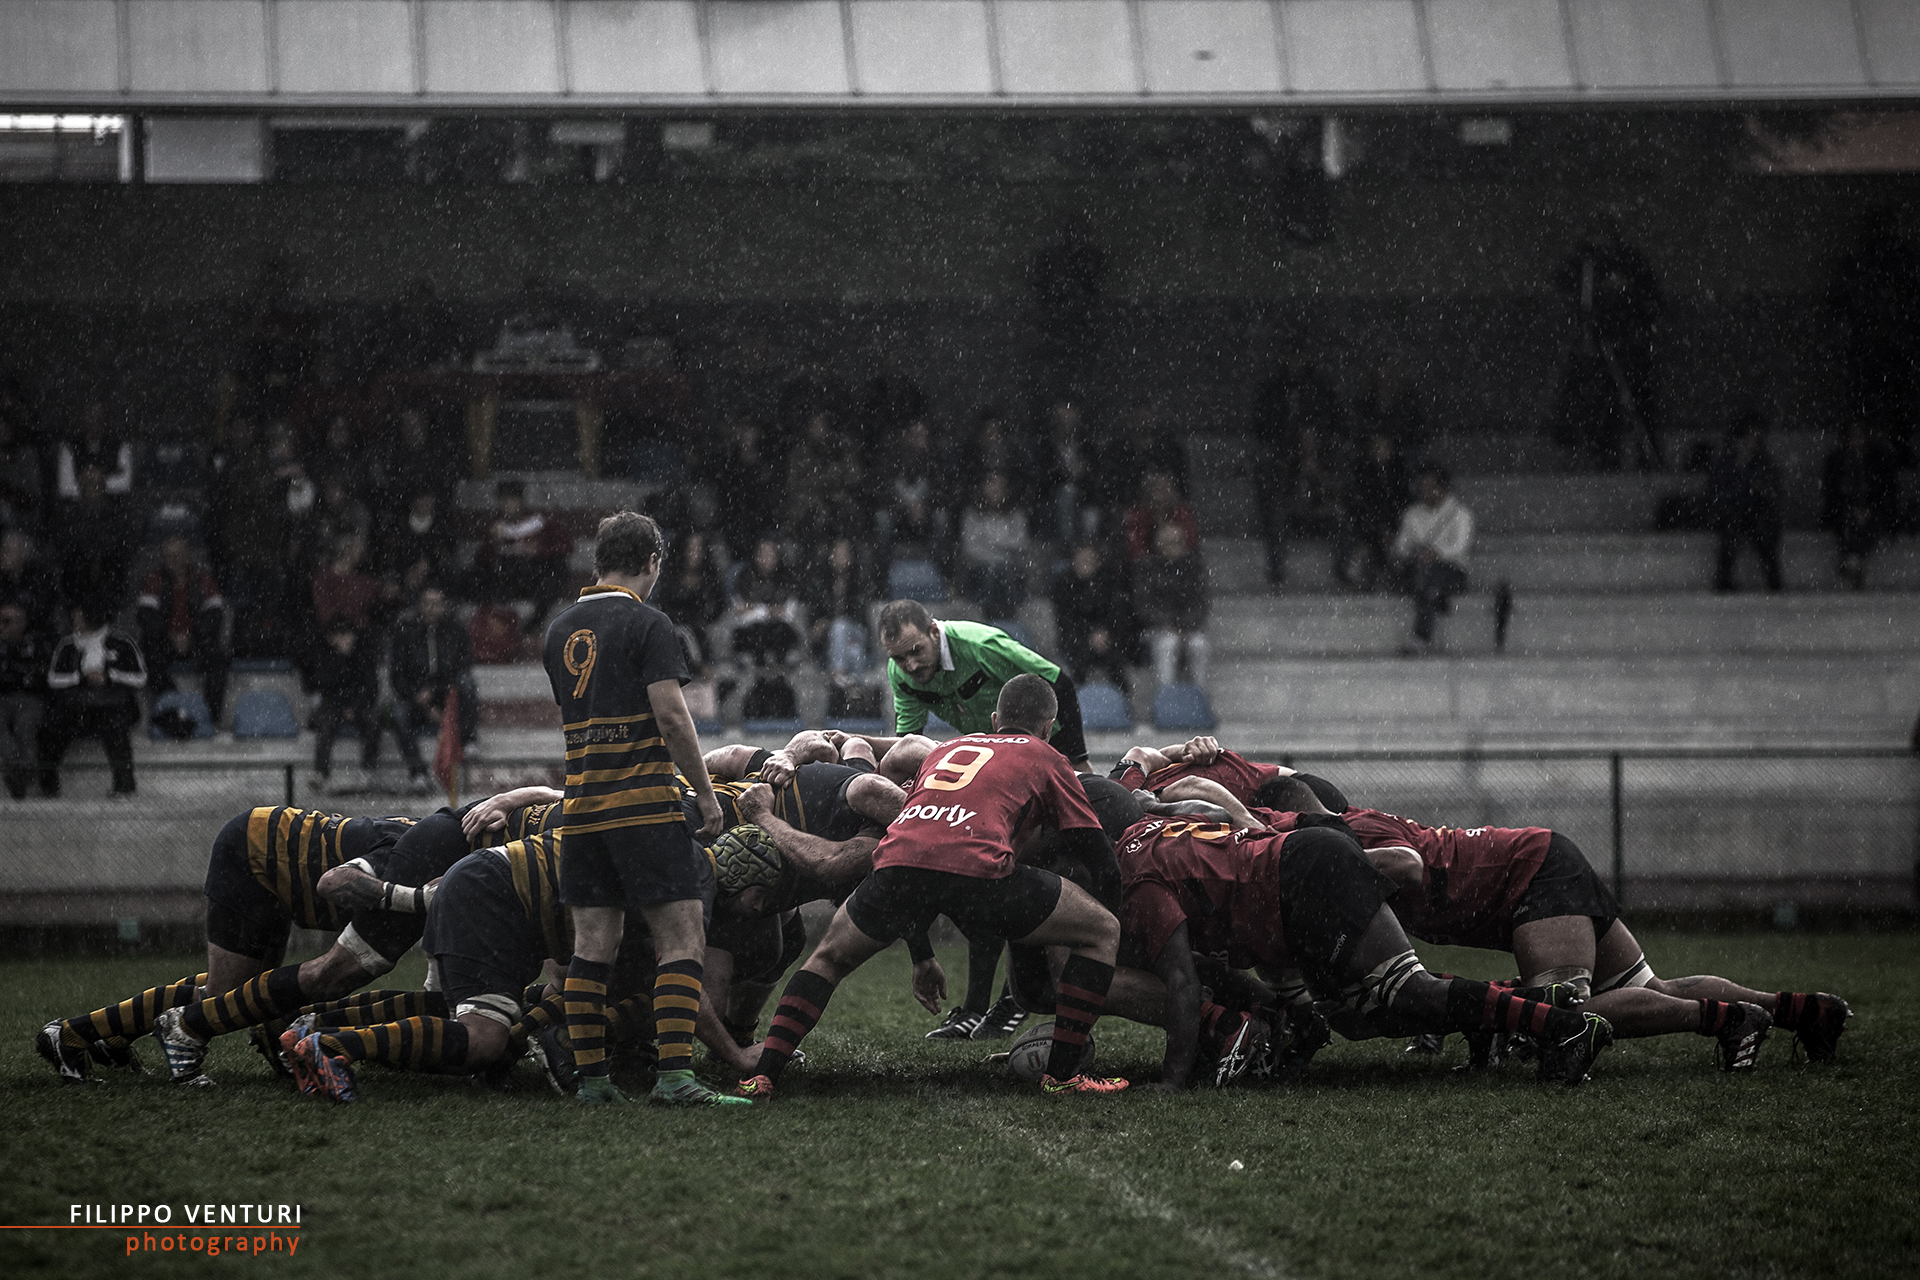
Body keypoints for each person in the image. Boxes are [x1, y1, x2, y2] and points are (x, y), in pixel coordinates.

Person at [1255, 775, 1850, 1069]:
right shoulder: (1352, 823)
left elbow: (1407, 870)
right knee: (1649, 990)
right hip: (1539, 863)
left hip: (1531, 876)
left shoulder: (1342, 838)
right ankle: (1804, 1011)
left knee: (1560, 1017)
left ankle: (1730, 1020)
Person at [737, 674, 1131, 1098]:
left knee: (827, 960)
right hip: (979, 872)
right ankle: (1064, 1075)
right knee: (1101, 931)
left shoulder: (948, 748)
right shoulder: (1047, 756)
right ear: (1049, 727)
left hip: (897, 861)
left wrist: (922, 953)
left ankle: (764, 1075)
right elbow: (1098, 857)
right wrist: (1115, 922)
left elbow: (927, 861)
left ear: (995, 719)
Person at [1112, 810, 1614, 1088]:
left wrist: (1171, 1080)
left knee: (1405, 991)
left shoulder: (1137, 876)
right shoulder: (1143, 828)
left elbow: (1181, 978)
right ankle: (1521, 1005)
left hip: (1303, 880)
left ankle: (1564, 1026)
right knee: (1353, 1015)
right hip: (1301, 869)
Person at [539, 510, 741, 1107]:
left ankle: (595, 1081)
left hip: (581, 810)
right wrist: (704, 795)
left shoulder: (557, 631)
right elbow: (673, 716)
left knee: (592, 945)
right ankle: (675, 1077)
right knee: (681, 938)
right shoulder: (649, 623)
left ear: (598, 561)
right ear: (652, 562)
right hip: (645, 807)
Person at [880, 599, 1090, 771]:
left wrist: (1076, 756)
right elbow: (909, 737)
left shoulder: (981, 646)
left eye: (917, 651)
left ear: (934, 631)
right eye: (898, 658)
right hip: (992, 754)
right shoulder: (898, 673)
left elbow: (1060, 683)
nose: (911, 665)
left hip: (1048, 744)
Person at [1251, 349, 1341, 588]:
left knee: (1343, 519)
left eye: (1312, 436)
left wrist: (1318, 477)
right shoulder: (1287, 461)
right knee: (1276, 518)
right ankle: (1277, 575)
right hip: (1297, 517)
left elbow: (1337, 496)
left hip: (1321, 517)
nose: (1308, 441)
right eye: (1304, 437)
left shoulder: (1328, 459)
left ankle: (1342, 574)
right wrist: (1301, 507)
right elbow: (1281, 498)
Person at [41, 600, 145, 798]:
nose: (76, 621)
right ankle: (48, 785)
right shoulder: (67, 645)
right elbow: (53, 679)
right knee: (51, 729)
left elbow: (140, 677)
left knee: (115, 726)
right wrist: (80, 677)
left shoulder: (121, 642)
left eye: (80, 616)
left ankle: (124, 786)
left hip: (111, 705)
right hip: (76, 707)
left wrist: (109, 677)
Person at [136, 534, 230, 727]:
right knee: (148, 656)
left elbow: (215, 614)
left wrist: (192, 634)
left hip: (196, 640)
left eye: (178, 554)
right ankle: (175, 710)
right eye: (169, 555)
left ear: (187, 555)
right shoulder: (154, 580)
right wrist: (170, 634)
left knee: (218, 659)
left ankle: (210, 717)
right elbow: (146, 615)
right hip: (164, 641)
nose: (174, 560)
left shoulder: (203, 579)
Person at [388, 583, 477, 788]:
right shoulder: (406, 633)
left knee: (467, 682)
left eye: (436, 604)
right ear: (419, 605)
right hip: (416, 697)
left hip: (447, 694)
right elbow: (397, 675)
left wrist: (437, 691)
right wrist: (421, 701)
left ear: (444, 606)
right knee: (399, 713)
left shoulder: (455, 631)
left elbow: (461, 667)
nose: (431, 608)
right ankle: (417, 772)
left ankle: (469, 740)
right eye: (427, 603)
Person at [1391, 466, 1473, 654]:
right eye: (1422, 486)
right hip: (1419, 567)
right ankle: (1436, 598)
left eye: (1429, 486)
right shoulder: (1412, 514)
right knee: (1426, 578)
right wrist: (1417, 553)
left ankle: (1422, 635)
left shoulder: (1461, 514)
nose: (1424, 491)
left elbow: (1460, 547)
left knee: (1428, 577)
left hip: (1451, 571)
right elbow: (1401, 546)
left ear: (1442, 488)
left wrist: (1436, 553)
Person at [1707, 413, 1784, 592]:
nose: (1751, 444)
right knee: (1731, 531)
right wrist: (1742, 488)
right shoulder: (1725, 462)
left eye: (1755, 439)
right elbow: (1718, 491)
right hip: (1730, 512)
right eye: (1747, 439)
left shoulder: (1763, 461)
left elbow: (1773, 490)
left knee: (1764, 530)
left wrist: (1760, 491)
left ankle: (1774, 580)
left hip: (1756, 511)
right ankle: (1723, 580)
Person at [1821, 422, 1901, 590]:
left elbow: (1884, 488)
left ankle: (1852, 558)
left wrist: (1869, 508)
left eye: (1860, 434)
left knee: (1868, 522)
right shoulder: (1837, 459)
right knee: (1848, 520)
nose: (1856, 439)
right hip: (1844, 507)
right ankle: (1855, 560)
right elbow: (1832, 490)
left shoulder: (1877, 458)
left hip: (1873, 507)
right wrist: (1852, 507)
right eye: (1852, 434)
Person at [1133, 522, 1211, 691]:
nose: (1175, 547)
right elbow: (1143, 606)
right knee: (1167, 645)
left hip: (1189, 628)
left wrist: (1184, 627)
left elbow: (1201, 604)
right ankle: (1165, 696)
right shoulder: (1147, 568)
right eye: (1170, 542)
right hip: (1157, 628)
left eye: (1179, 542)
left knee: (1199, 645)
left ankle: (1200, 696)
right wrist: (1169, 624)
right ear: (1159, 544)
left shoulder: (1194, 567)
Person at [1051, 541, 1135, 693]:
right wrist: (1090, 634)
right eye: (1081, 560)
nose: (1085, 564)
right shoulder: (1064, 584)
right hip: (1077, 635)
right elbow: (1066, 619)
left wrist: (1103, 633)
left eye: (1089, 560)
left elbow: (1117, 613)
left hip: (1107, 636)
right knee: (1081, 652)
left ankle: (1122, 699)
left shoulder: (1109, 582)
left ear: (1097, 562)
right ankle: (1076, 696)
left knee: (1115, 653)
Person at [0, 599, 51, 798]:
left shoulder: (36, 644)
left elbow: (38, 677)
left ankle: (23, 773)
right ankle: (17, 769)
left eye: (6, 621)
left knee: (25, 726)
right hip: (2, 698)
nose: (1, 626)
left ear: (22, 622)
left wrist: (14, 673)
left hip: (29, 697)